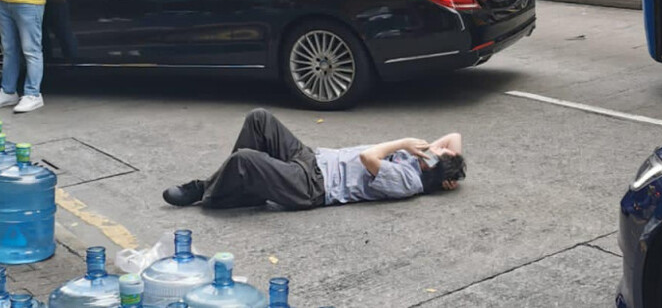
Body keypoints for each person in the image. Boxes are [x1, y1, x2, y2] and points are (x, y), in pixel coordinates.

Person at [162, 109, 467, 209]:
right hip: (312, 160)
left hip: (313, 187)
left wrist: (401, 143)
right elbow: (454, 135)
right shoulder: (421, 163)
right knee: (259, 119)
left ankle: (206, 192)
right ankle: (241, 189)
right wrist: (445, 161)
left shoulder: (409, 180)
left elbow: (367, 158)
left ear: (433, 166)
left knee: (246, 159)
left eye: (438, 153)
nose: (437, 146)